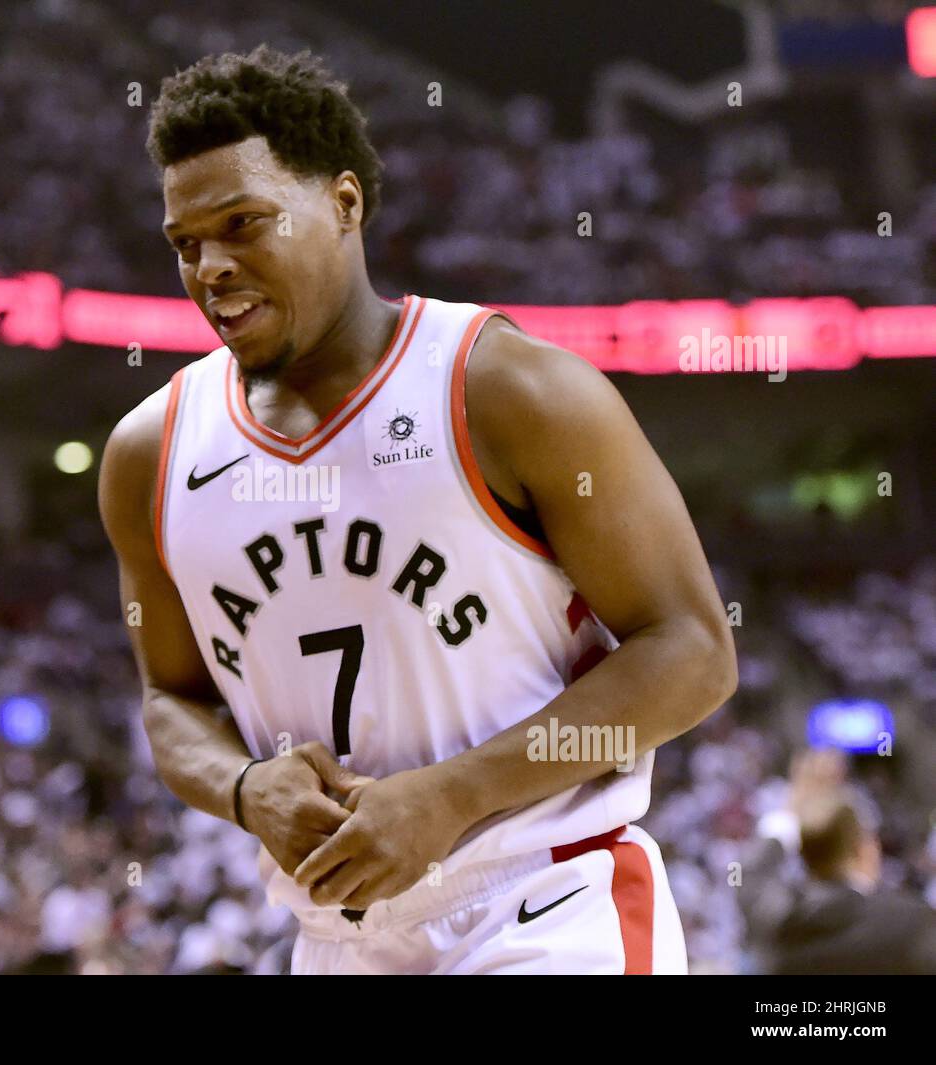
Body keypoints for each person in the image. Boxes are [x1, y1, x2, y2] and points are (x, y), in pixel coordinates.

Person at [99, 46, 737, 974]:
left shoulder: (506, 388)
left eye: (244, 223)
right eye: (185, 243)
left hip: (544, 906)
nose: (212, 267)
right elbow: (171, 700)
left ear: (345, 204)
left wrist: (452, 796)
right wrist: (243, 787)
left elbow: (693, 651)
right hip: (337, 939)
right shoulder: (149, 454)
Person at [741, 748, 936, 974]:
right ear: (865, 850)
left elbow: (751, 877)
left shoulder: (776, 919)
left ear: (802, 852)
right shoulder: (910, 924)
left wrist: (793, 809)